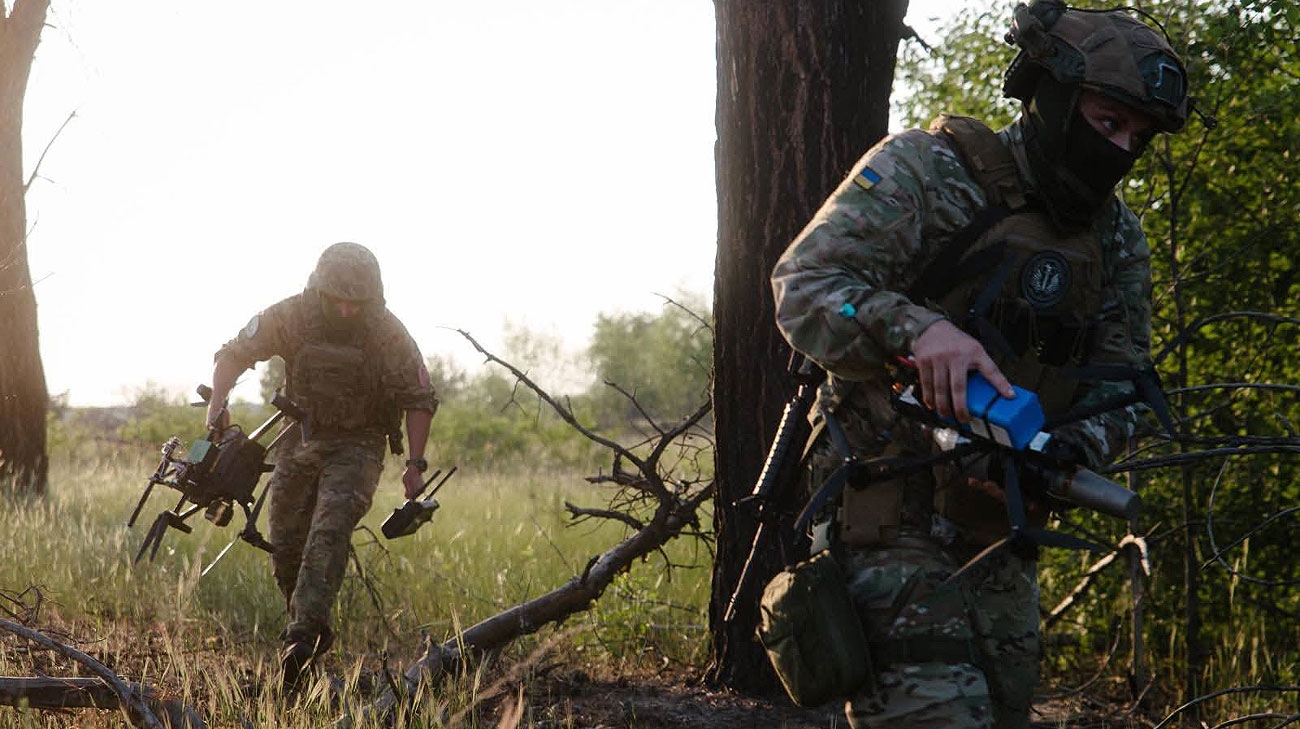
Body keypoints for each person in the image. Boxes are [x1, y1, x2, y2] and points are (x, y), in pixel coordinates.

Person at [769, 1, 1189, 727]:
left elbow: (1124, 382)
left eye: (1138, 135)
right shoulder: (928, 172)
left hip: (1002, 534)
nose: (1121, 149)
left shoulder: (1118, 237)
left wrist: (1064, 453)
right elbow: (805, 290)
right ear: (1053, 97)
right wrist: (915, 329)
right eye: (1107, 121)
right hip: (891, 518)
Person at [205, 241, 438, 690]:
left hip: (361, 442)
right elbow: (233, 354)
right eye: (338, 301)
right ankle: (311, 633)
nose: (348, 311)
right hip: (302, 435)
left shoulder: (388, 332)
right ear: (319, 292)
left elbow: (419, 398)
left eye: (358, 303)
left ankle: (300, 638)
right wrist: (217, 405)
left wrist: (415, 464)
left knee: (330, 528)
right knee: (287, 544)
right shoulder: (293, 315)